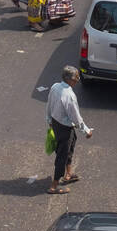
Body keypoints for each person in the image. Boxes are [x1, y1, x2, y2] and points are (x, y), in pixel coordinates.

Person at [45, 67, 93, 195]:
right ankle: (54, 186)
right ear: (70, 79)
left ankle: (69, 174)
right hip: (65, 128)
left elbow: (49, 103)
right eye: (76, 78)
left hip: (56, 123)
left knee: (69, 148)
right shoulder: (69, 96)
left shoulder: (55, 87)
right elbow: (76, 118)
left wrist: (48, 118)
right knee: (62, 155)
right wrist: (86, 131)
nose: (77, 80)